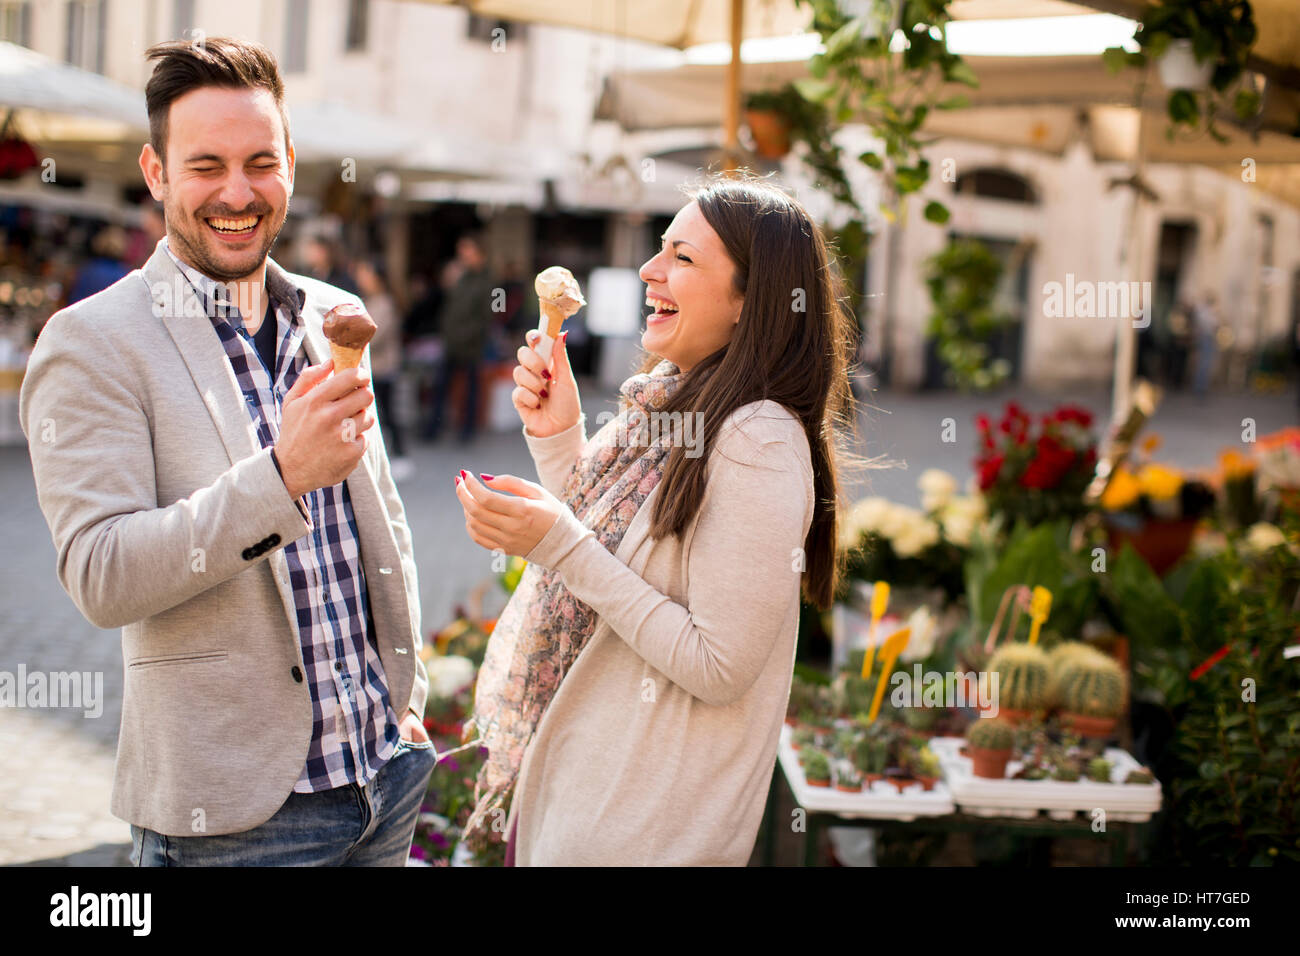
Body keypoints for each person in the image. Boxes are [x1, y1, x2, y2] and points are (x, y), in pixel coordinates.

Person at [18, 36, 433, 866]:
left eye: (260, 162)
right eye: (205, 165)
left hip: (384, 775)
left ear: (289, 165)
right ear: (156, 171)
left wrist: (406, 695)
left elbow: (379, 517)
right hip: (239, 819)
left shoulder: (333, 315)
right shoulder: (91, 343)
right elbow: (102, 574)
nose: (237, 193)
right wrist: (283, 478)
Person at [453, 173, 857, 865]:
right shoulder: (677, 405)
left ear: (748, 302)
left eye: (684, 258)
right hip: (583, 812)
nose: (649, 269)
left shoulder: (757, 436)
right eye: (661, 248)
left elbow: (718, 664)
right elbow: (618, 554)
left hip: (645, 840)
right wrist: (560, 439)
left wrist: (559, 544)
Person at [425, 234, 495, 444]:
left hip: (471, 345)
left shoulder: (489, 281)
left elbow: (488, 316)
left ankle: (467, 430)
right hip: (452, 342)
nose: (463, 256)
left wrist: (468, 336)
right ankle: (434, 427)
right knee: (441, 387)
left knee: (471, 390)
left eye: (468, 251)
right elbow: (450, 306)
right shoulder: (461, 277)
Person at [355, 258, 412, 481]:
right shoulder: (369, 300)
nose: (362, 278)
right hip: (373, 368)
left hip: (384, 368)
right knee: (378, 414)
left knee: (388, 414)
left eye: (365, 273)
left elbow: (374, 336)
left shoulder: (385, 303)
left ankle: (400, 455)